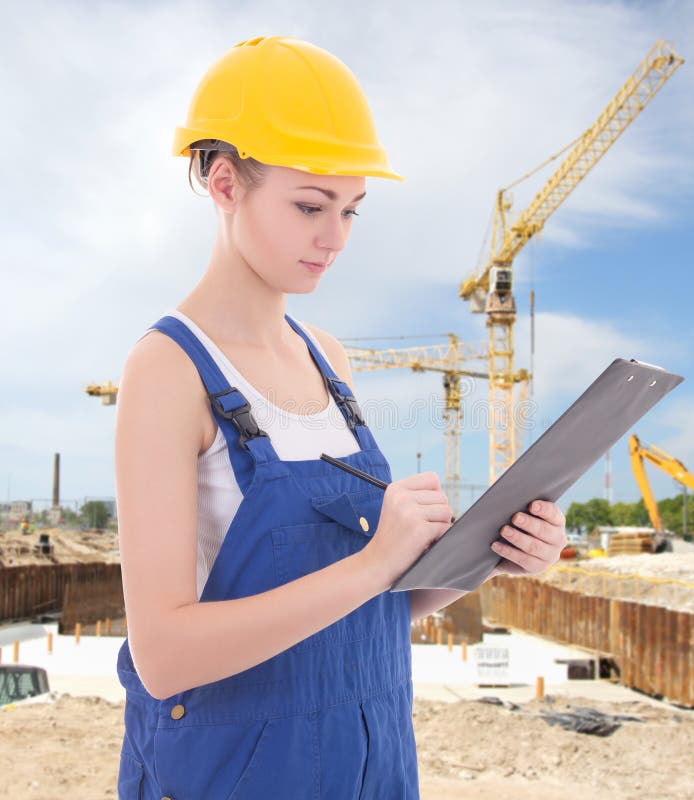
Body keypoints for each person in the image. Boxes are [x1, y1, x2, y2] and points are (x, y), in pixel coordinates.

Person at [113, 35, 566, 800]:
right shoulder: (168, 370)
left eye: (351, 209)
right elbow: (163, 655)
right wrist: (372, 561)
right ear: (225, 184)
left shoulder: (330, 360)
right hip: (233, 777)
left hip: (372, 760)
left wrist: (490, 553)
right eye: (309, 206)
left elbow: (371, 611)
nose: (336, 238)